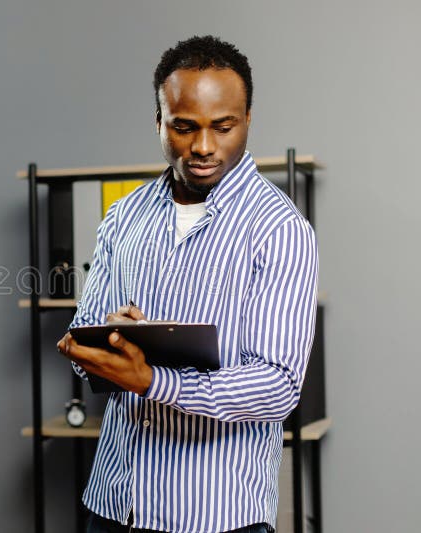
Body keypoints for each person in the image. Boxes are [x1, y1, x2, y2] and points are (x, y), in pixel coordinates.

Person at [57, 35, 318, 533]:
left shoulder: (279, 229)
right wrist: (108, 342)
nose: (203, 146)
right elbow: (82, 336)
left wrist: (153, 380)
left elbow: (278, 386)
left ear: (246, 121)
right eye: (183, 127)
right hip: (115, 503)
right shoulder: (124, 216)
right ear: (159, 121)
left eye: (223, 127)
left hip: (214, 515)